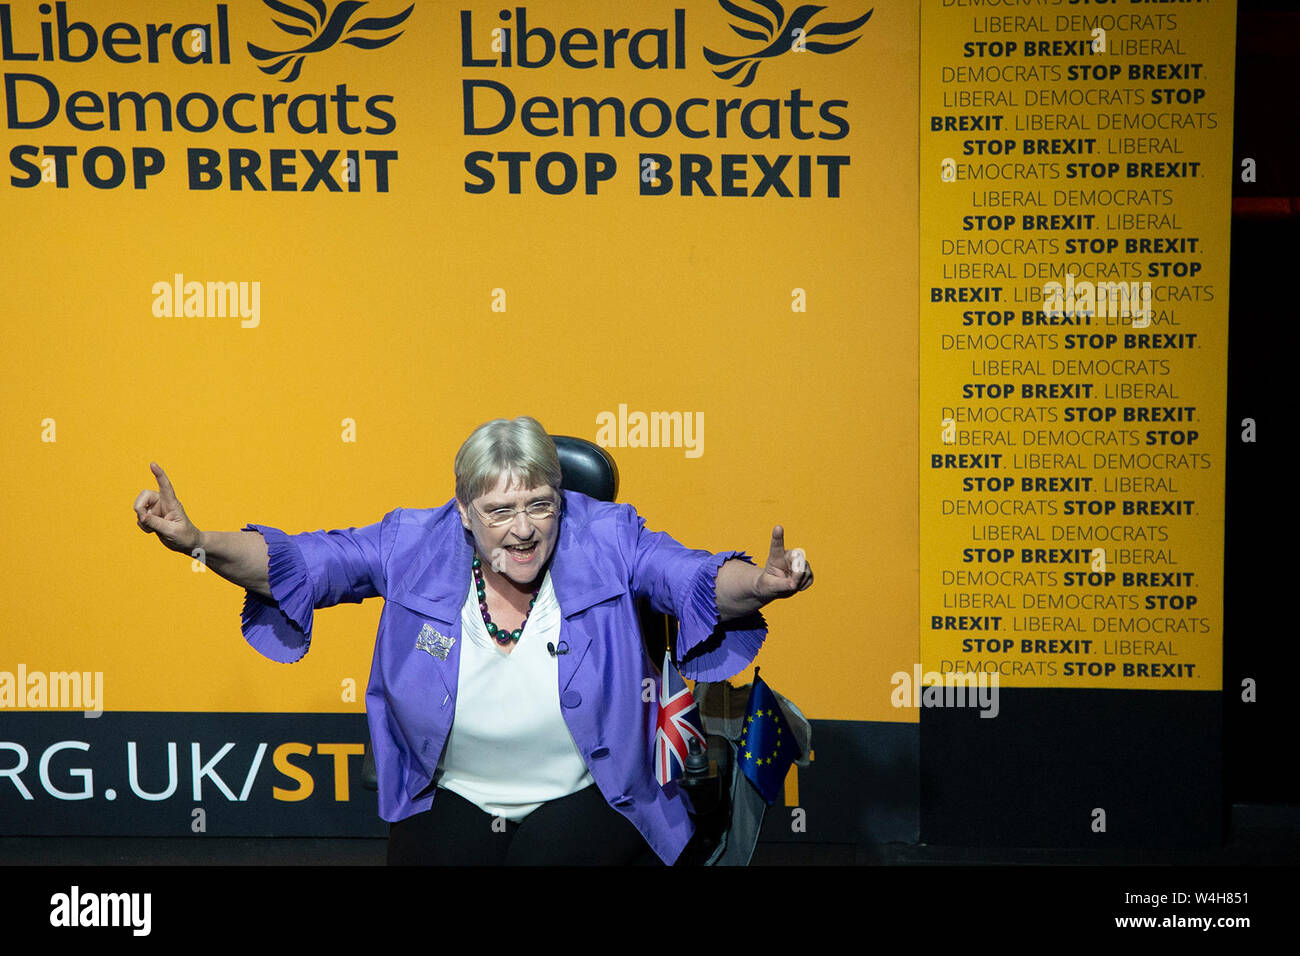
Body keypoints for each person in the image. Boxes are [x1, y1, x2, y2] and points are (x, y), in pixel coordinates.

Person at [134, 416, 813, 864]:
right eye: (499, 511)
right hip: (454, 790)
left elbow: (688, 576)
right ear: (464, 513)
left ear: (562, 500)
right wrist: (198, 543)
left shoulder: (609, 536)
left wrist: (758, 583)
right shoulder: (410, 543)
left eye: (540, 504)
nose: (522, 529)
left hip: (592, 789)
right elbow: (301, 564)